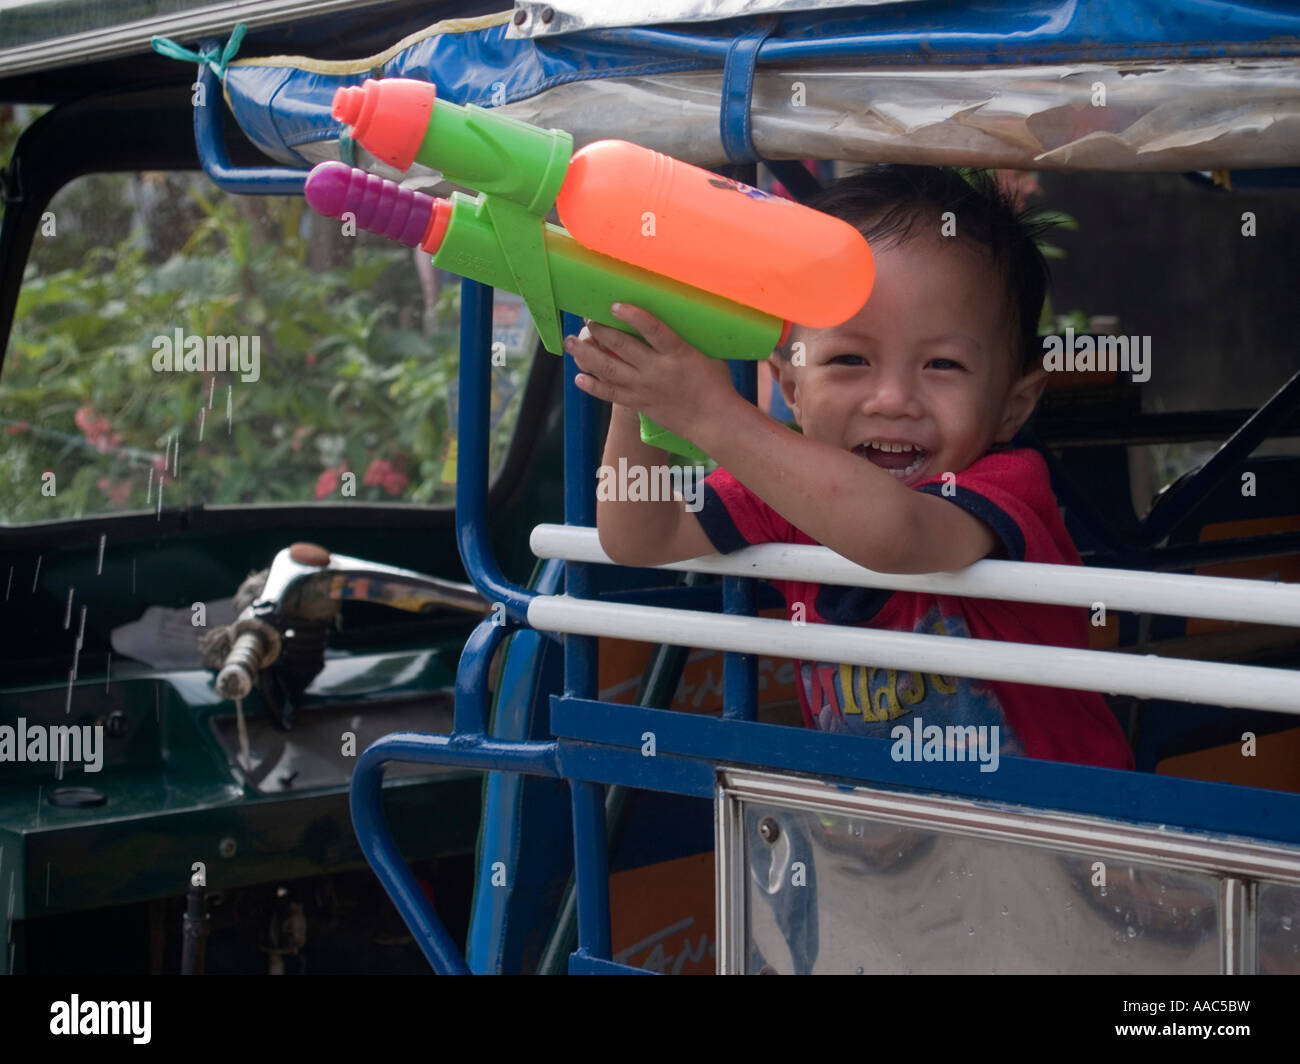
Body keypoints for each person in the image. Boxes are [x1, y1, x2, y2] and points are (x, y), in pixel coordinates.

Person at [565, 164, 1133, 770]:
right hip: (886, 846)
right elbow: (638, 536)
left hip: (1060, 841)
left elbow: (894, 533)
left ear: (1012, 406)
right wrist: (642, 392)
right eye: (850, 359)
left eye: (942, 365)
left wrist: (711, 415)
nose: (890, 399)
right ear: (792, 386)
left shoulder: (1004, 487)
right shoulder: (784, 487)